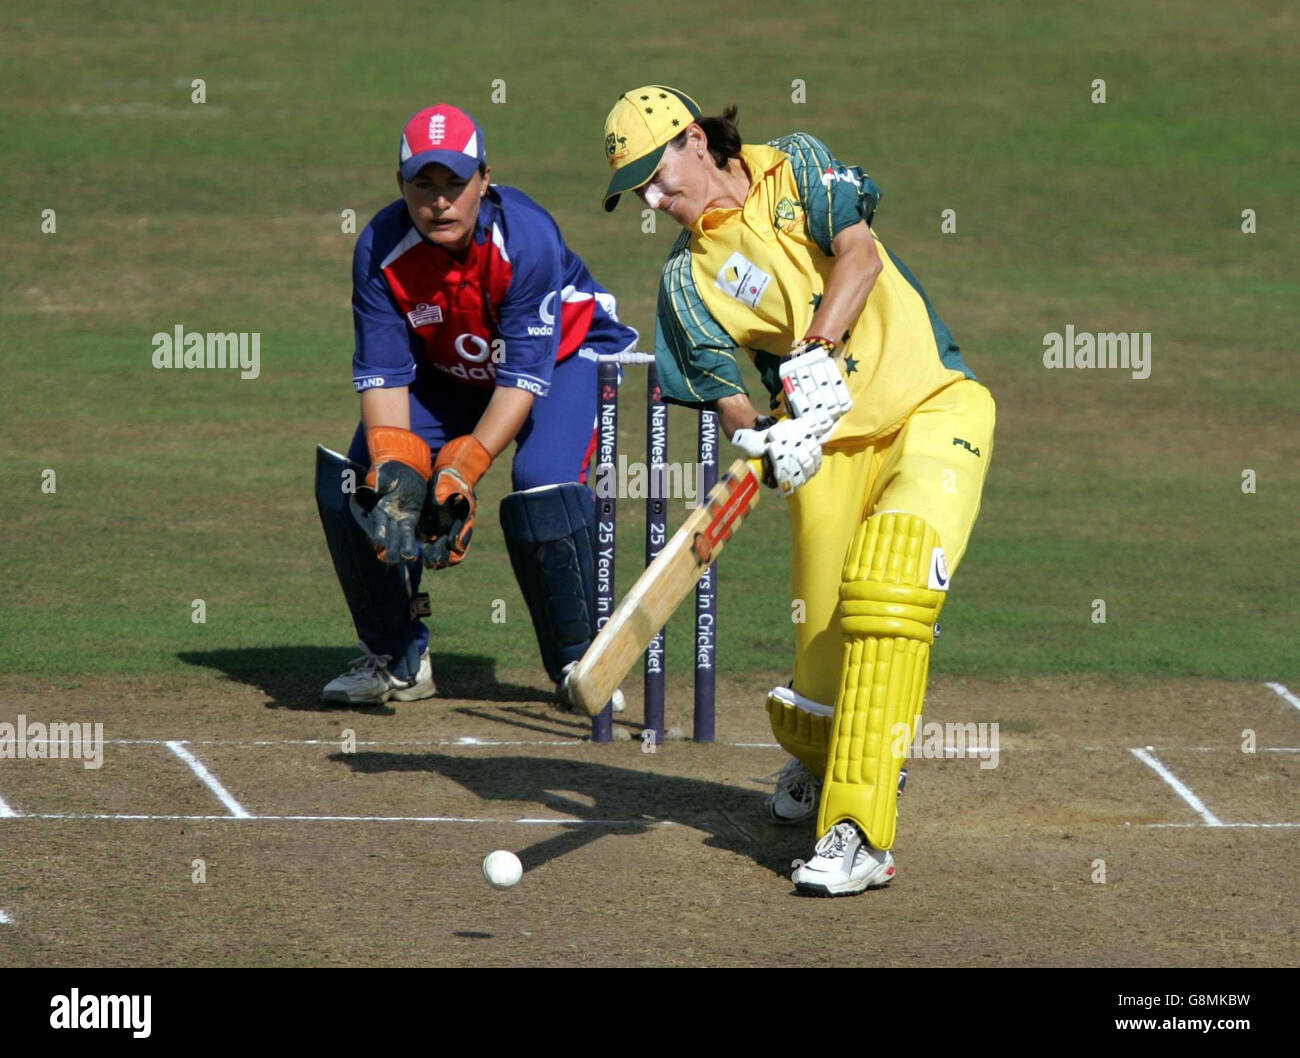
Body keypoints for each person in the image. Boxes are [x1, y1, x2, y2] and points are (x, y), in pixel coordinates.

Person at [600, 86, 996, 895]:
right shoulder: (686, 283)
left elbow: (860, 254)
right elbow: (729, 402)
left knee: (889, 588)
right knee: (821, 669)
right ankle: (822, 767)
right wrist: (771, 441)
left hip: (932, 404)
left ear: (697, 143)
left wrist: (815, 350)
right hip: (828, 450)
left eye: (656, 173)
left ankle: (858, 834)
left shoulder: (795, 165)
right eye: (636, 189)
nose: (652, 197)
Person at [315, 103, 637, 707]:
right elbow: (383, 380)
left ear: (484, 181)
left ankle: (583, 661)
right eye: (424, 185)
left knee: (541, 481)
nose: (440, 201)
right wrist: (398, 476)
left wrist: (461, 471)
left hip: (564, 359)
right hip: (450, 374)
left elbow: (521, 377)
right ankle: (400, 657)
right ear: (401, 186)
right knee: (362, 488)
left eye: (455, 184)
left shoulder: (527, 238)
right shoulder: (379, 248)